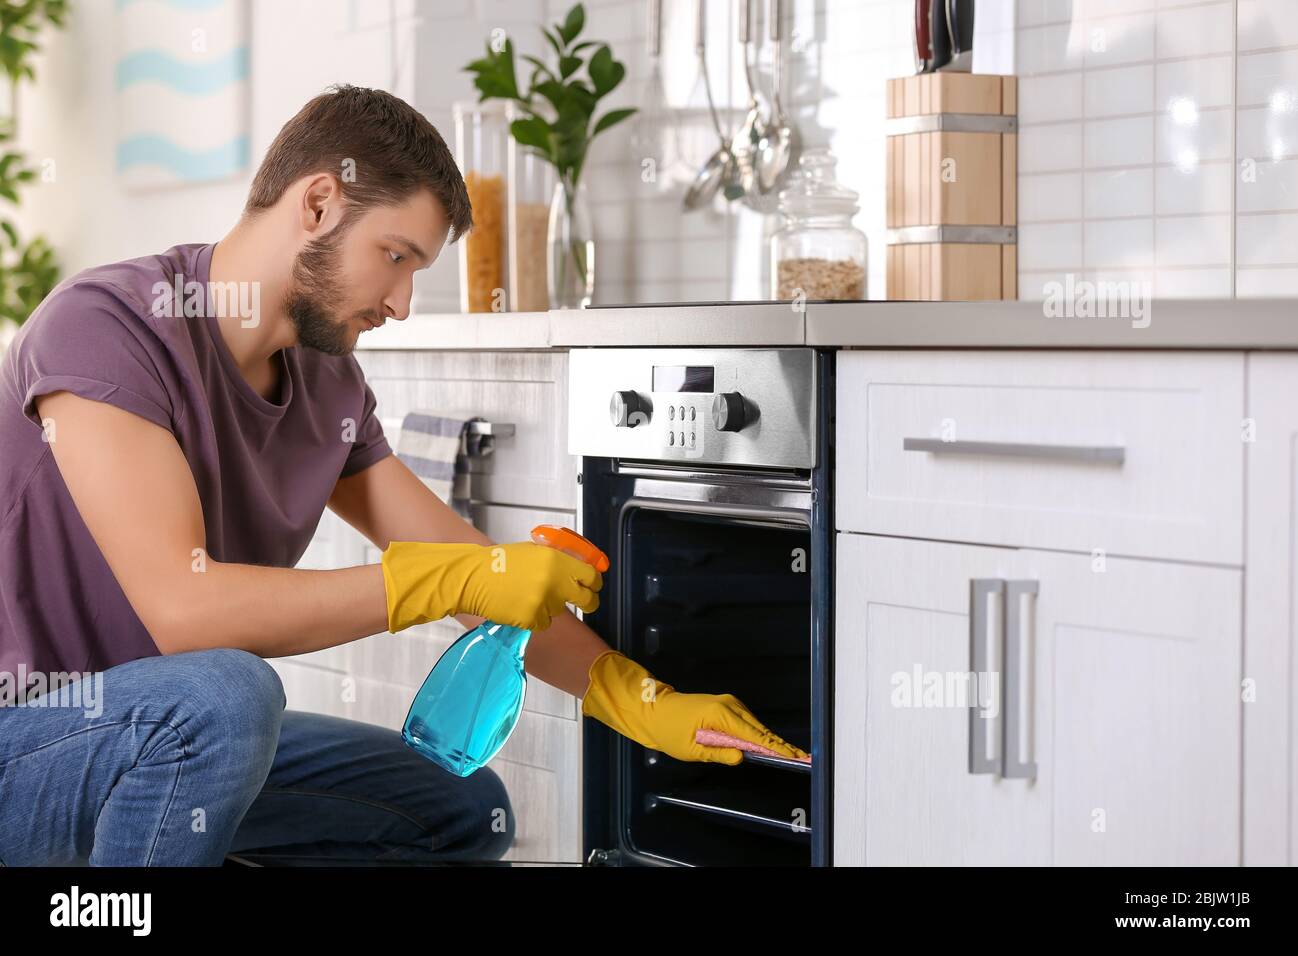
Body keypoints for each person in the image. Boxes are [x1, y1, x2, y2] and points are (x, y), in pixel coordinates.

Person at [0, 85, 809, 867]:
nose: (402, 302)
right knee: (227, 696)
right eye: (395, 256)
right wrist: (448, 579)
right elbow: (186, 611)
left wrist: (634, 699)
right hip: (26, 738)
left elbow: (461, 560)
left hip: (155, 737)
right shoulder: (106, 330)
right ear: (317, 205)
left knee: (453, 810)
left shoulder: (327, 382)